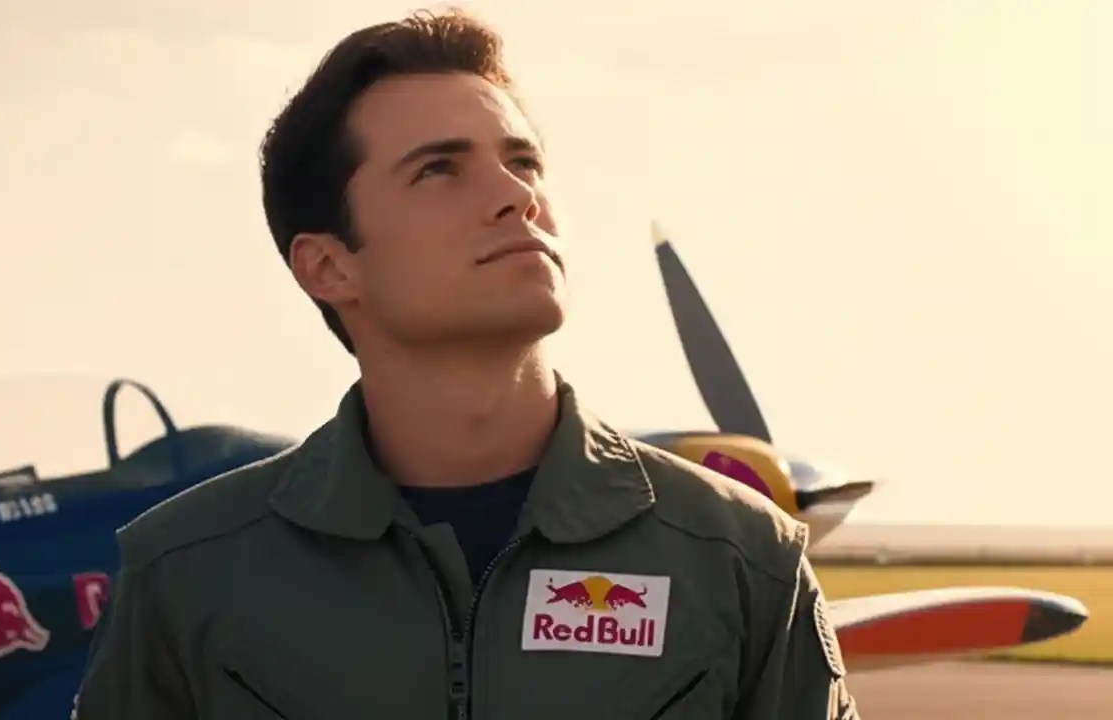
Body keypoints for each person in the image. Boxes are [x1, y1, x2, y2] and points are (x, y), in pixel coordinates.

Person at [71, 7, 860, 719]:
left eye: (524, 162)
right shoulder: (185, 575)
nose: (515, 196)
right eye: (440, 169)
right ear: (328, 267)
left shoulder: (742, 559)